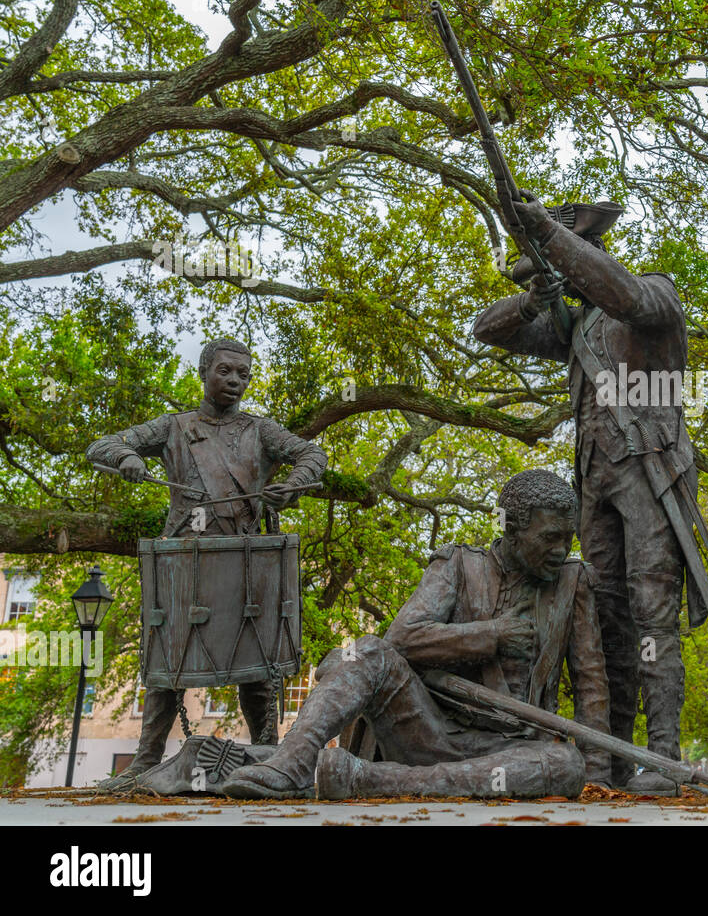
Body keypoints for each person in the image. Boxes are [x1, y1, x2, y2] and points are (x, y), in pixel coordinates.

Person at [473, 198, 708, 795]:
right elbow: (487, 329)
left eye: (567, 257)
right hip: (597, 485)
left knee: (652, 613)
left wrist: (545, 236)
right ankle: (612, 757)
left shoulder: (651, 295)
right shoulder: (577, 327)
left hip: (651, 474)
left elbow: (626, 296)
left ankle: (662, 758)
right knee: (606, 617)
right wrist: (532, 299)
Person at [224, 469, 611, 799]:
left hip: (511, 752)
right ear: (510, 528)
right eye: (549, 538)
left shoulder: (573, 582)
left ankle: (371, 780)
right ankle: (292, 761)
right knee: (365, 651)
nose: (562, 550)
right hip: (429, 731)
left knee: (566, 765)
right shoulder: (457, 565)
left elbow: (590, 679)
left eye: (567, 537)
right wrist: (491, 635)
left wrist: (597, 777)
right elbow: (403, 638)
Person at [85, 338, 326, 791]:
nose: (235, 381)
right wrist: (128, 457)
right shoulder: (174, 428)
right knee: (168, 661)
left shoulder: (262, 431)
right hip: (185, 563)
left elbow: (314, 455)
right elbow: (102, 445)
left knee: (258, 667)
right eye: (226, 372)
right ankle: (144, 759)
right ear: (204, 372)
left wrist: (292, 486)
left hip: (248, 562)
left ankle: (267, 752)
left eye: (243, 375)